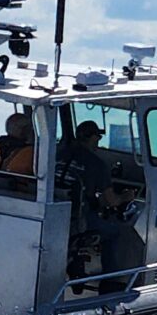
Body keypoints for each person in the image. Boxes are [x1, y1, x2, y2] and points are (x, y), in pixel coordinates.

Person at [59, 119, 136, 287]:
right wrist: (126, 197)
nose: (99, 141)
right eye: (97, 137)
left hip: (56, 216)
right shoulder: (96, 164)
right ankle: (111, 283)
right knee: (115, 232)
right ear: (91, 137)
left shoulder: (59, 154)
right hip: (79, 221)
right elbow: (112, 201)